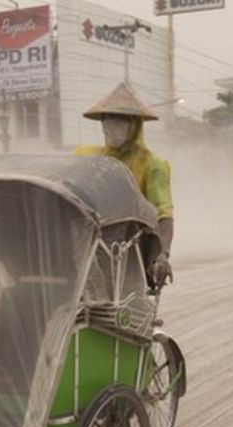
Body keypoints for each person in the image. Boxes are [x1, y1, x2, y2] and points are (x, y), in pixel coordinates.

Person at [74, 83, 174, 286]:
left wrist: (163, 255)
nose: (112, 127)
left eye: (120, 122)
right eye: (108, 121)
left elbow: (164, 214)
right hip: (88, 243)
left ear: (135, 126)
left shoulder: (152, 165)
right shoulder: (87, 156)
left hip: (128, 250)